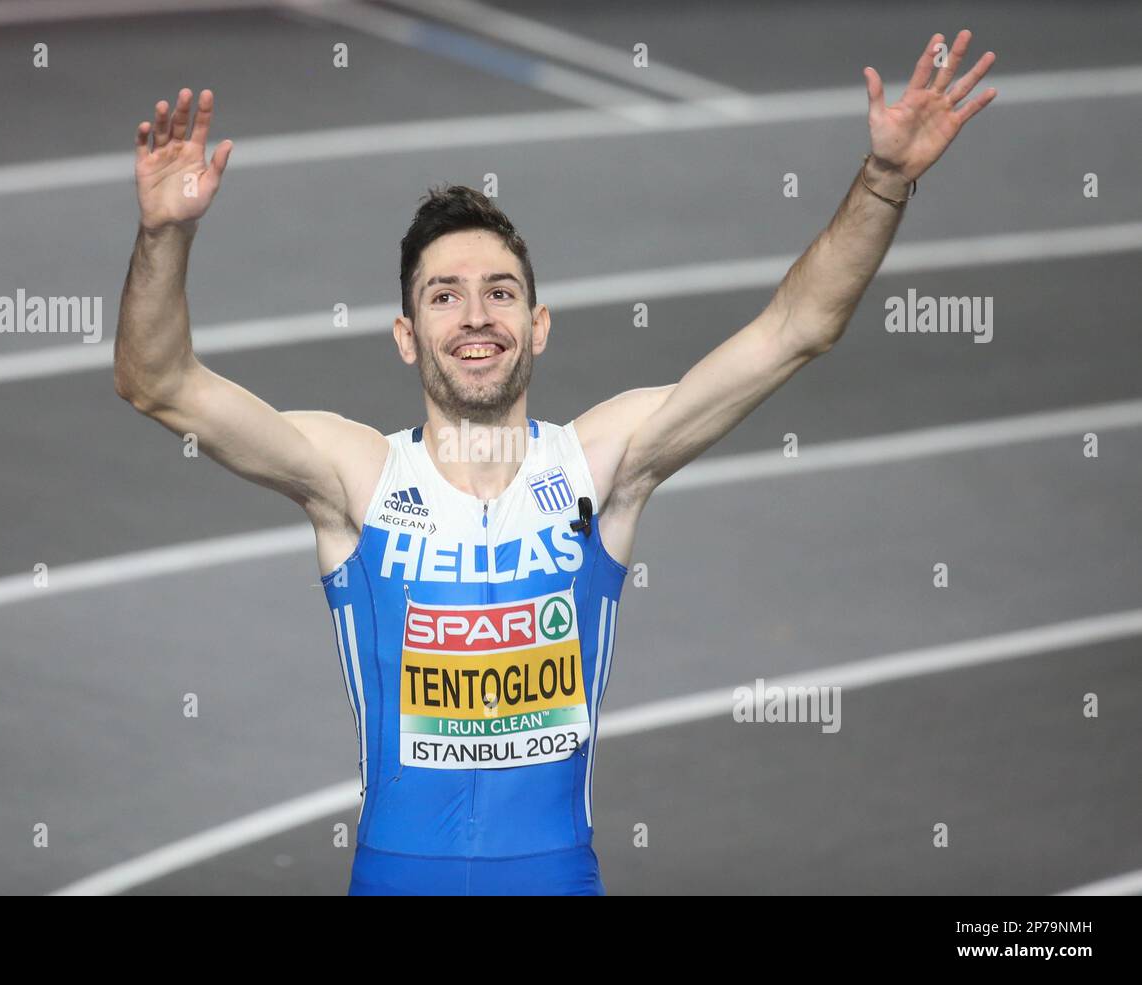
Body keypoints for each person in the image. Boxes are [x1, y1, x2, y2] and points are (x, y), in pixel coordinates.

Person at [114, 30, 996, 895]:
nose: (474, 315)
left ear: (537, 325)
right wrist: (163, 234)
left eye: (500, 293)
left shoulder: (599, 464)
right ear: (405, 336)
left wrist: (883, 180)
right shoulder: (357, 477)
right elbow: (159, 383)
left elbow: (796, 331)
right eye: (443, 296)